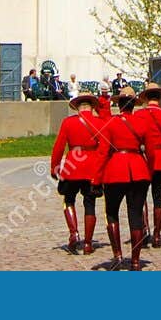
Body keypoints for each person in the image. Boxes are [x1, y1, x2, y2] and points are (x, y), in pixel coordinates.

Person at [94, 91, 151, 270]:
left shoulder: (111, 124)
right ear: (134, 105)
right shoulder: (142, 124)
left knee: (112, 212)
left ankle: (117, 254)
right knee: (136, 215)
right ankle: (135, 259)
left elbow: (103, 152)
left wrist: (96, 178)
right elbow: (150, 151)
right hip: (138, 170)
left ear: (119, 105)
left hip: (115, 170)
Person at [50, 92, 106, 254]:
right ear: (91, 106)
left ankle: (74, 232)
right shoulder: (99, 123)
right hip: (92, 168)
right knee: (90, 204)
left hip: (72, 167)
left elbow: (59, 146)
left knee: (68, 200)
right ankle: (88, 243)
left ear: (77, 107)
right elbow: (103, 149)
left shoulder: (68, 122)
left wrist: (55, 167)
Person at [131, 84, 161, 247]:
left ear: (145, 98)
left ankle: (144, 228)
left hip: (144, 159)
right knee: (158, 198)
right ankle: (157, 235)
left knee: (140, 197)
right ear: (159, 98)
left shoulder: (139, 115)